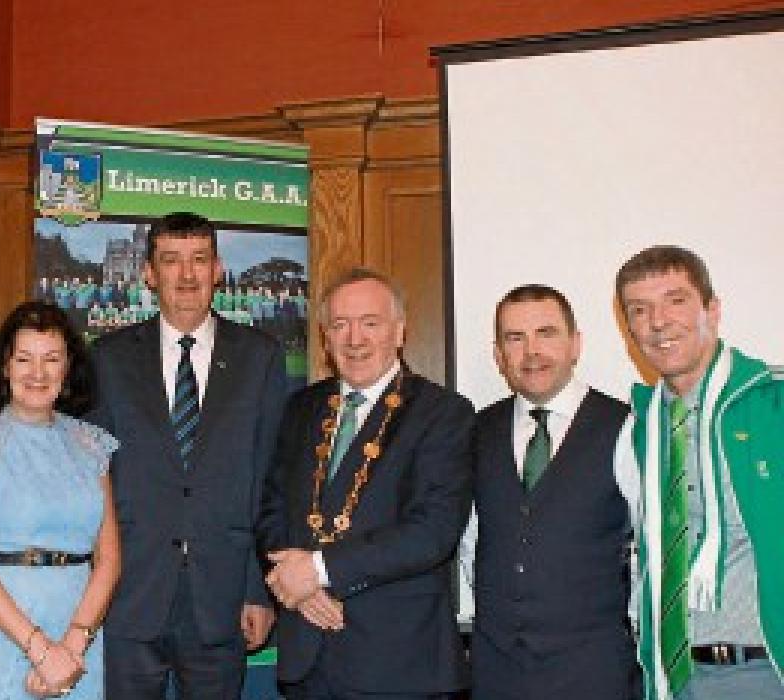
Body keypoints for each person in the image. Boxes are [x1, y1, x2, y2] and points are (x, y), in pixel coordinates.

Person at [88, 211, 287, 699]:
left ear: (218, 269)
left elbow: (268, 480)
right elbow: (93, 481)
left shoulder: (259, 357)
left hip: (223, 598)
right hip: (128, 596)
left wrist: (256, 589)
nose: (187, 274)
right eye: (171, 261)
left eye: (199, 260)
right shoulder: (108, 359)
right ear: (149, 274)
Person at [258, 267, 473, 700]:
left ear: (399, 330)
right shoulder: (301, 407)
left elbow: (433, 531)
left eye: (370, 323)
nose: (355, 339)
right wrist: (299, 589)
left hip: (398, 664)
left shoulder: (442, 413)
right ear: (325, 336)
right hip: (308, 657)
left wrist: (318, 571)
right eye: (340, 325)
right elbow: (270, 507)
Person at [616, 245, 784, 699]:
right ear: (627, 327)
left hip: (765, 672)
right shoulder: (637, 429)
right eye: (639, 309)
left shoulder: (773, 406)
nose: (658, 321)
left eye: (676, 300)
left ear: (712, 309)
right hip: (674, 677)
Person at [462, 284, 640, 699]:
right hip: (497, 672)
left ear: (575, 344)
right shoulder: (475, 431)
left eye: (546, 333)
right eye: (515, 338)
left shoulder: (626, 427)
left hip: (595, 672)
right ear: (498, 355)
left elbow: (648, 552)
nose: (531, 351)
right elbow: (471, 543)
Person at [0, 301, 120, 699]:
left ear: (68, 367)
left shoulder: (92, 445)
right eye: (24, 359)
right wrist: (39, 649)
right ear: (5, 367)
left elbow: (108, 560)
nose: (37, 373)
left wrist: (74, 645)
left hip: (77, 639)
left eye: (51, 359)